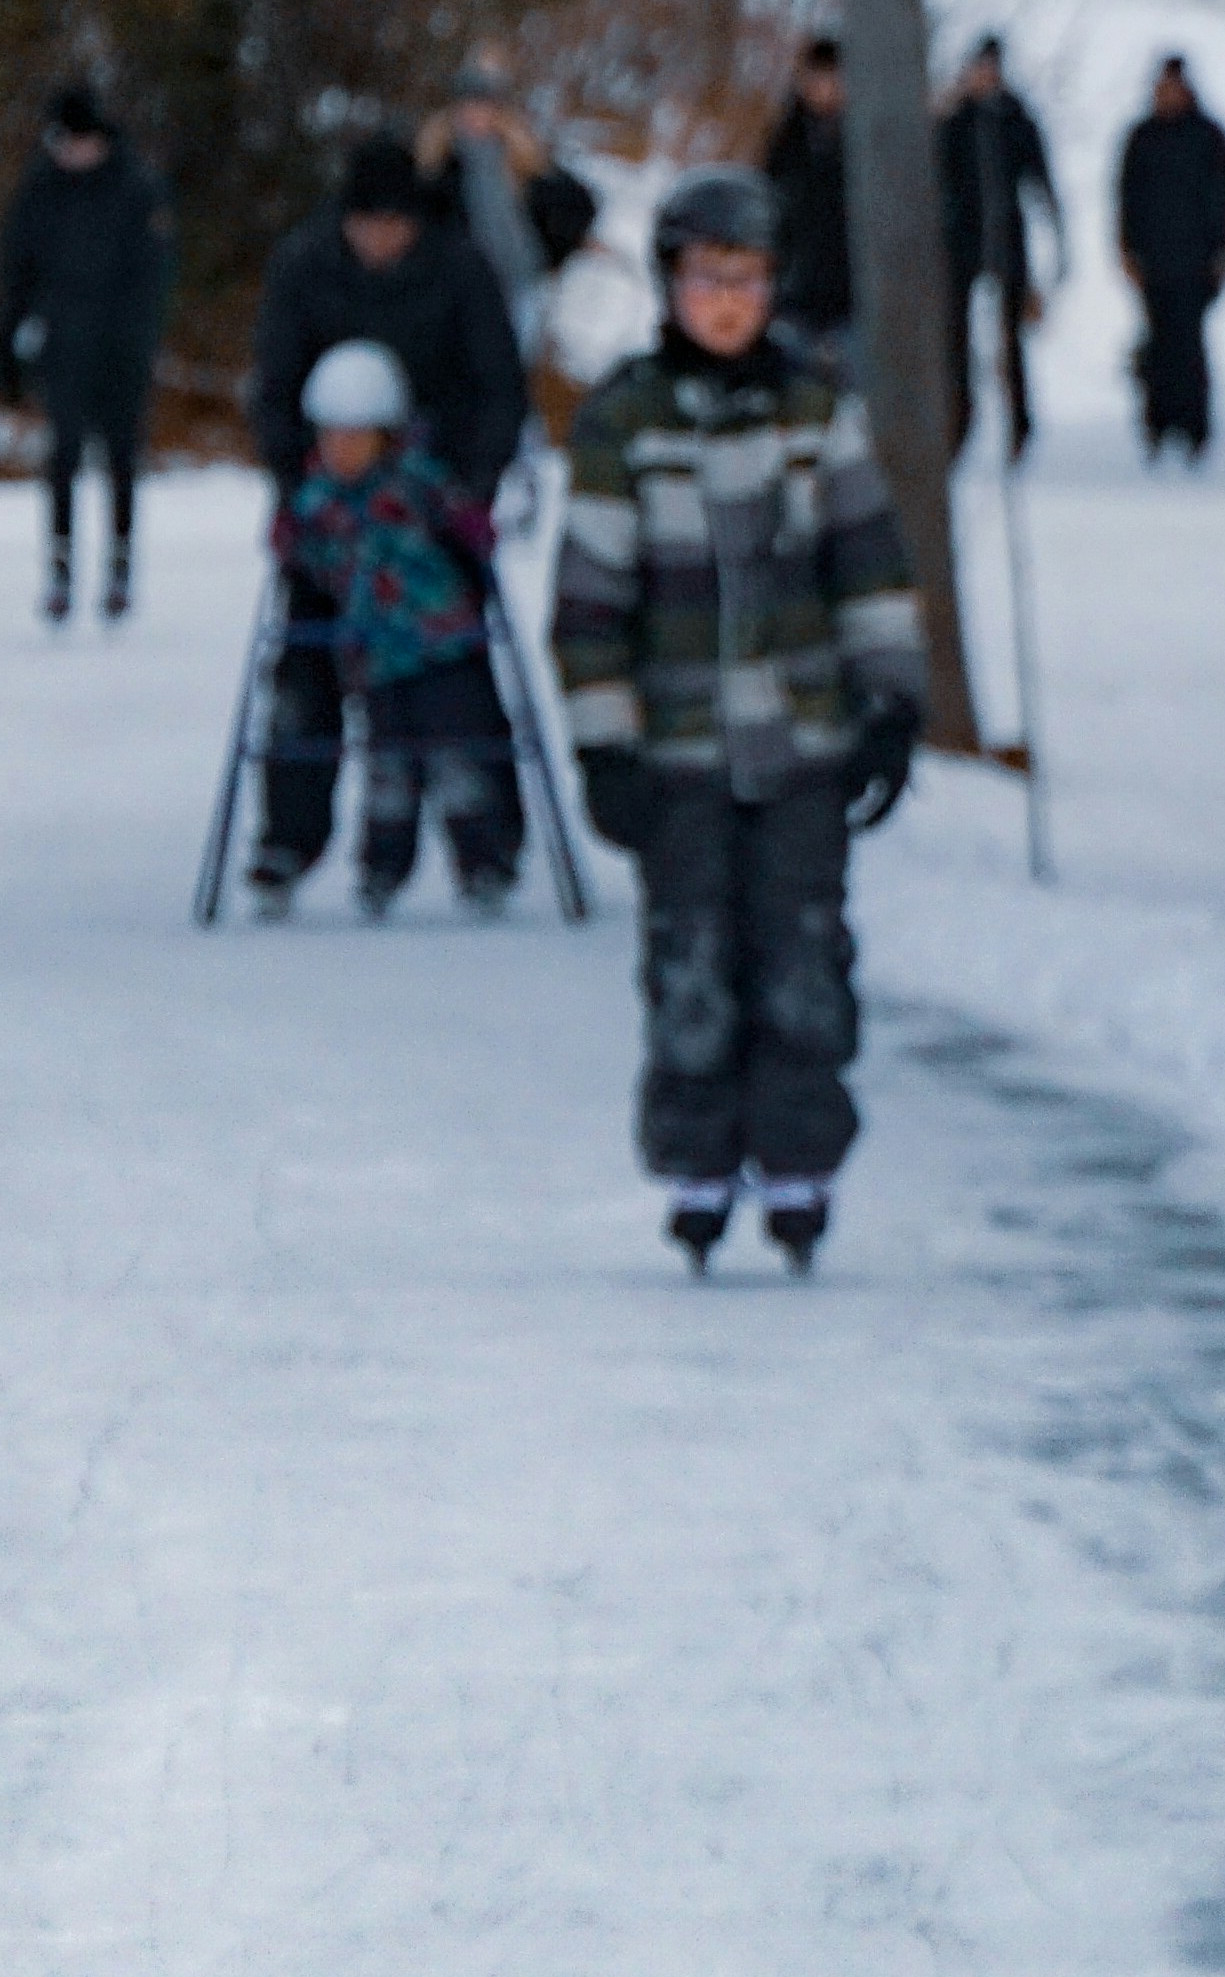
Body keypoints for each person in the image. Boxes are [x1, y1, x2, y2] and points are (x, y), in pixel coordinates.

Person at [552, 166, 925, 1275]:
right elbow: (588, 599)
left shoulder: (814, 411)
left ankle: (800, 1166)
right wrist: (602, 741)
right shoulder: (625, 419)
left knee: (800, 955)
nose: (728, 300)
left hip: (800, 745)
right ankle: (698, 1164)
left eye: (749, 279)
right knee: (693, 960)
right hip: (675, 755)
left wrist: (889, 707)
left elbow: (869, 568)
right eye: (708, 277)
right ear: (669, 282)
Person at [243, 132, 529, 916]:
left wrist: (470, 488)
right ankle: (286, 838)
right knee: (305, 675)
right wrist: (299, 482)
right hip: (329, 511)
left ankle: (490, 842)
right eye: (366, 224)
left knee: (457, 683)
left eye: (394, 224)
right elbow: (274, 381)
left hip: (431, 508)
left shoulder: (459, 268)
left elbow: (497, 384)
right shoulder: (305, 265)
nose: (379, 239)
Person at [268, 339, 522, 919]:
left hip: (441, 649)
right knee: (388, 766)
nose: (344, 451)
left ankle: (484, 858)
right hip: (375, 657)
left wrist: (472, 528)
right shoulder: (319, 500)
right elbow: (301, 549)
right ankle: (382, 866)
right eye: (332, 438)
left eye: (358, 438)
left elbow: (466, 521)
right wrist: (288, 540)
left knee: (458, 758)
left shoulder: (415, 485)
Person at [0, 78, 172, 627]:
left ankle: (119, 565)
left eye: (81, 141)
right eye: (64, 142)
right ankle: (61, 567)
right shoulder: (40, 189)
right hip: (63, 341)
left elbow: (156, 272)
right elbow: (16, 271)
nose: (73, 153)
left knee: (121, 455)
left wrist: (139, 338)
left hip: (121, 345)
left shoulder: (136, 185)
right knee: (63, 456)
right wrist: (8, 346)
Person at [421, 61, 600, 362]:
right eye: (467, 105)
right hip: (462, 292)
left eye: (484, 106)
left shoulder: (522, 157)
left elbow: (578, 203)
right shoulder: (438, 162)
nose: (475, 115)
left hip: (521, 285)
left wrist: (555, 253)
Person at [938, 35, 1063, 457]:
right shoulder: (954, 120)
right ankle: (960, 420)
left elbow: (1040, 181)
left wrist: (1056, 246)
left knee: (1011, 340)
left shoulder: (1016, 118)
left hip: (1008, 241)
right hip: (962, 244)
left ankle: (1019, 426)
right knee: (956, 339)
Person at [1117, 53, 1225, 463]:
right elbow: (1126, 199)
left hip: (1196, 266)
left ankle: (1195, 430)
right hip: (1153, 264)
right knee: (1157, 349)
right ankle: (1156, 426)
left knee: (1189, 348)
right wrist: (1126, 250)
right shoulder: (1142, 138)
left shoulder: (1208, 137)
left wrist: (1224, 251)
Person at [762, 35, 857, 361]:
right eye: (816, 77)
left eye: (832, 77)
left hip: (851, 301)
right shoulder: (787, 137)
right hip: (793, 297)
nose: (824, 87)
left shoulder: (862, 143)